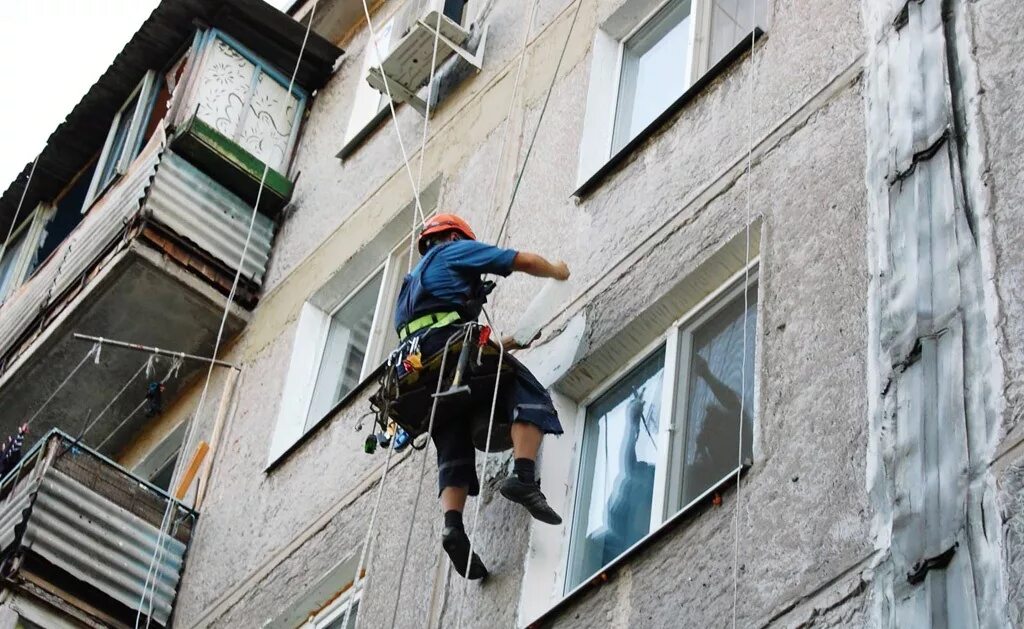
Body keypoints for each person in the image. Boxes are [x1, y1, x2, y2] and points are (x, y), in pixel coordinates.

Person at [392, 213, 570, 580]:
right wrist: (557, 271)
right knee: (524, 388)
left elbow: (442, 333)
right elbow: (518, 260)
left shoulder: (410, 285)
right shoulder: (454, 252)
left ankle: (453, 525)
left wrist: (513, 341)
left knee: (451, 431)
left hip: (418, 370)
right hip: (448, 351)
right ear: (454, 236)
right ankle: (523, 477)